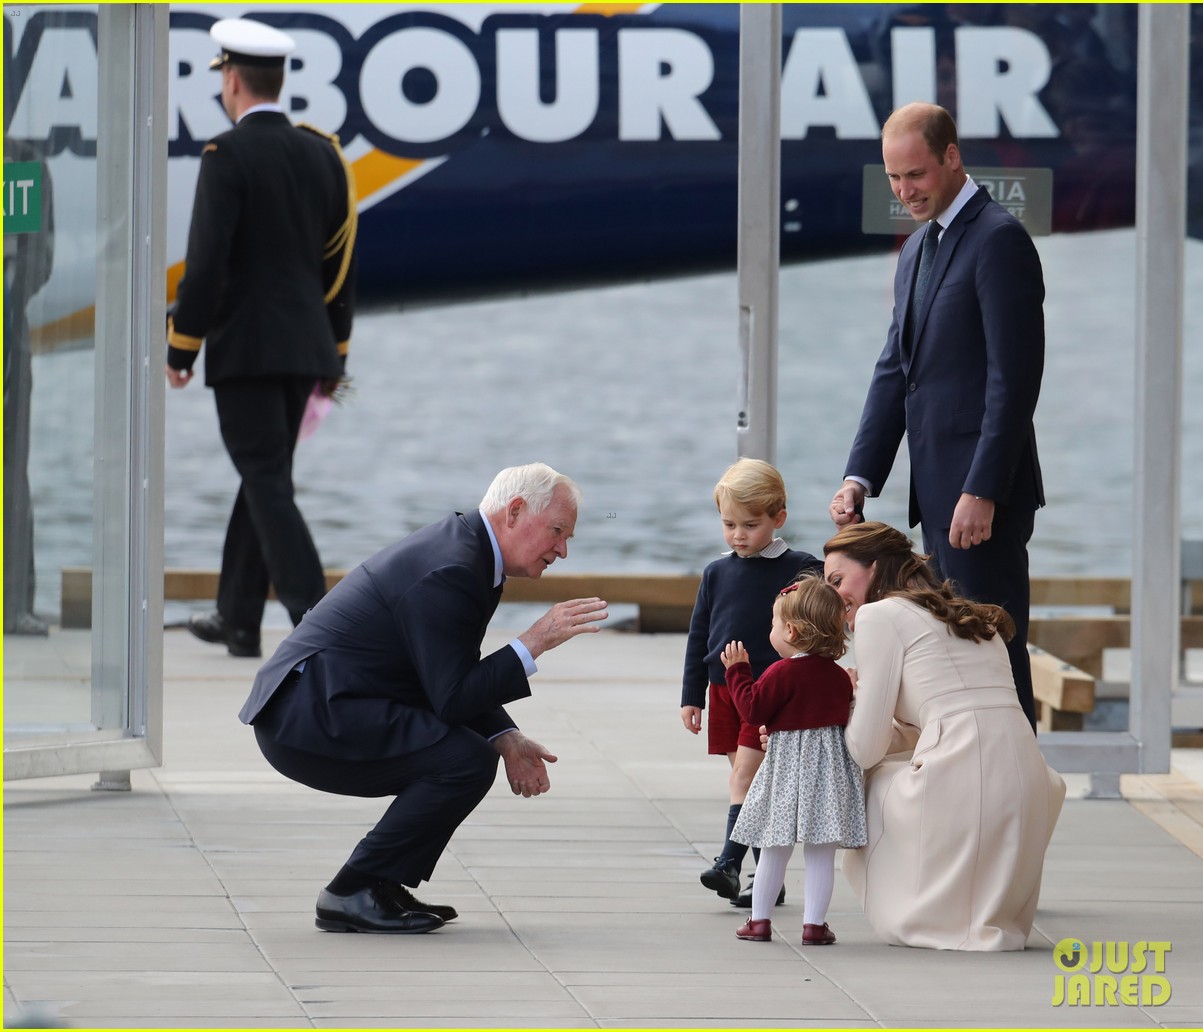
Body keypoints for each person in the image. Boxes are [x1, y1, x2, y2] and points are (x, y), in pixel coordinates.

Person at [238, 463, 609, 934]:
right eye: (558, 532)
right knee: (463, 760)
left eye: (568, 537)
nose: (562, 549)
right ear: (514, 511)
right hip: (306, 715)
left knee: (469, 755)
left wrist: (506, 734)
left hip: (325, 701)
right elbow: (452, 697)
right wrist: (532, 642)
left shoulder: (469, 551)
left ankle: (379, 886)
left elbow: (446, 670)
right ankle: (351, 890)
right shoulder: (455, 566)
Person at [828, 101, 1045, 730]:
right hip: (937, 497)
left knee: (996, 654)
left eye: (915, 175)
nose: (904, 191)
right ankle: (969, 791)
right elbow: (897, 369)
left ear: (952, 157)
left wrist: (982, 489)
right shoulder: (919, 245)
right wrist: (860, 477)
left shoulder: (1000, 239)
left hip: (984, 498)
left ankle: (1018, 795)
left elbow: (1015, 382)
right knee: (954, 657)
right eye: (894, 178)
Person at [166, 18, 357, 658]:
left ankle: (324, 625)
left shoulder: (225, 157)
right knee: (266, 477)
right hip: (305, 351)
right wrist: (337, 351)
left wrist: (182, 345)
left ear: (232, 80)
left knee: (268, 483)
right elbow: (339, 265)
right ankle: (239, 619)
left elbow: (207, 264)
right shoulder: (323, 153)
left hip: (246, 352)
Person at [824, 522, 1065, 951]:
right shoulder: (965, 615)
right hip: (1027, 783)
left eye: (838, 580)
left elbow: (864, 750)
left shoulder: (878, 616)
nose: (835, 596)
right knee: (897, 767)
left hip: (968, 776)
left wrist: (849, 702)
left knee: (874, 780)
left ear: (875, 567)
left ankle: (929, 909)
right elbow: (937, 722)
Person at [681, 458, 821, 907]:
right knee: (752, 785)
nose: (738, 534)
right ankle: (769, 881)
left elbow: (833, 594)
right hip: (723, 692)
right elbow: (699, 636)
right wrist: (692, 697)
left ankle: (728, 863)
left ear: (779, 518)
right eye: (728, 524)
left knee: (745, 778)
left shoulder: (800, 568)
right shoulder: (716, 572)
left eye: (751, 524)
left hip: (766, 691)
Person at [721, 574, 866, 945]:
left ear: (791, 630)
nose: (770, 630)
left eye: (773, 623)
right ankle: (814, 925)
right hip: (827, 771)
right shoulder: (837, 677)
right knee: (821, 852)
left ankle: (760, 920)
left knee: (774, 848)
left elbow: (753, 710)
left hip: (787, 769)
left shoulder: (780, 672)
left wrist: (738, 672)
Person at [3, 137, 54, 635]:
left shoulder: (20, 163)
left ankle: (13, 603)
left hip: (7, 341)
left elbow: (38, 260)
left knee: (11, 471)